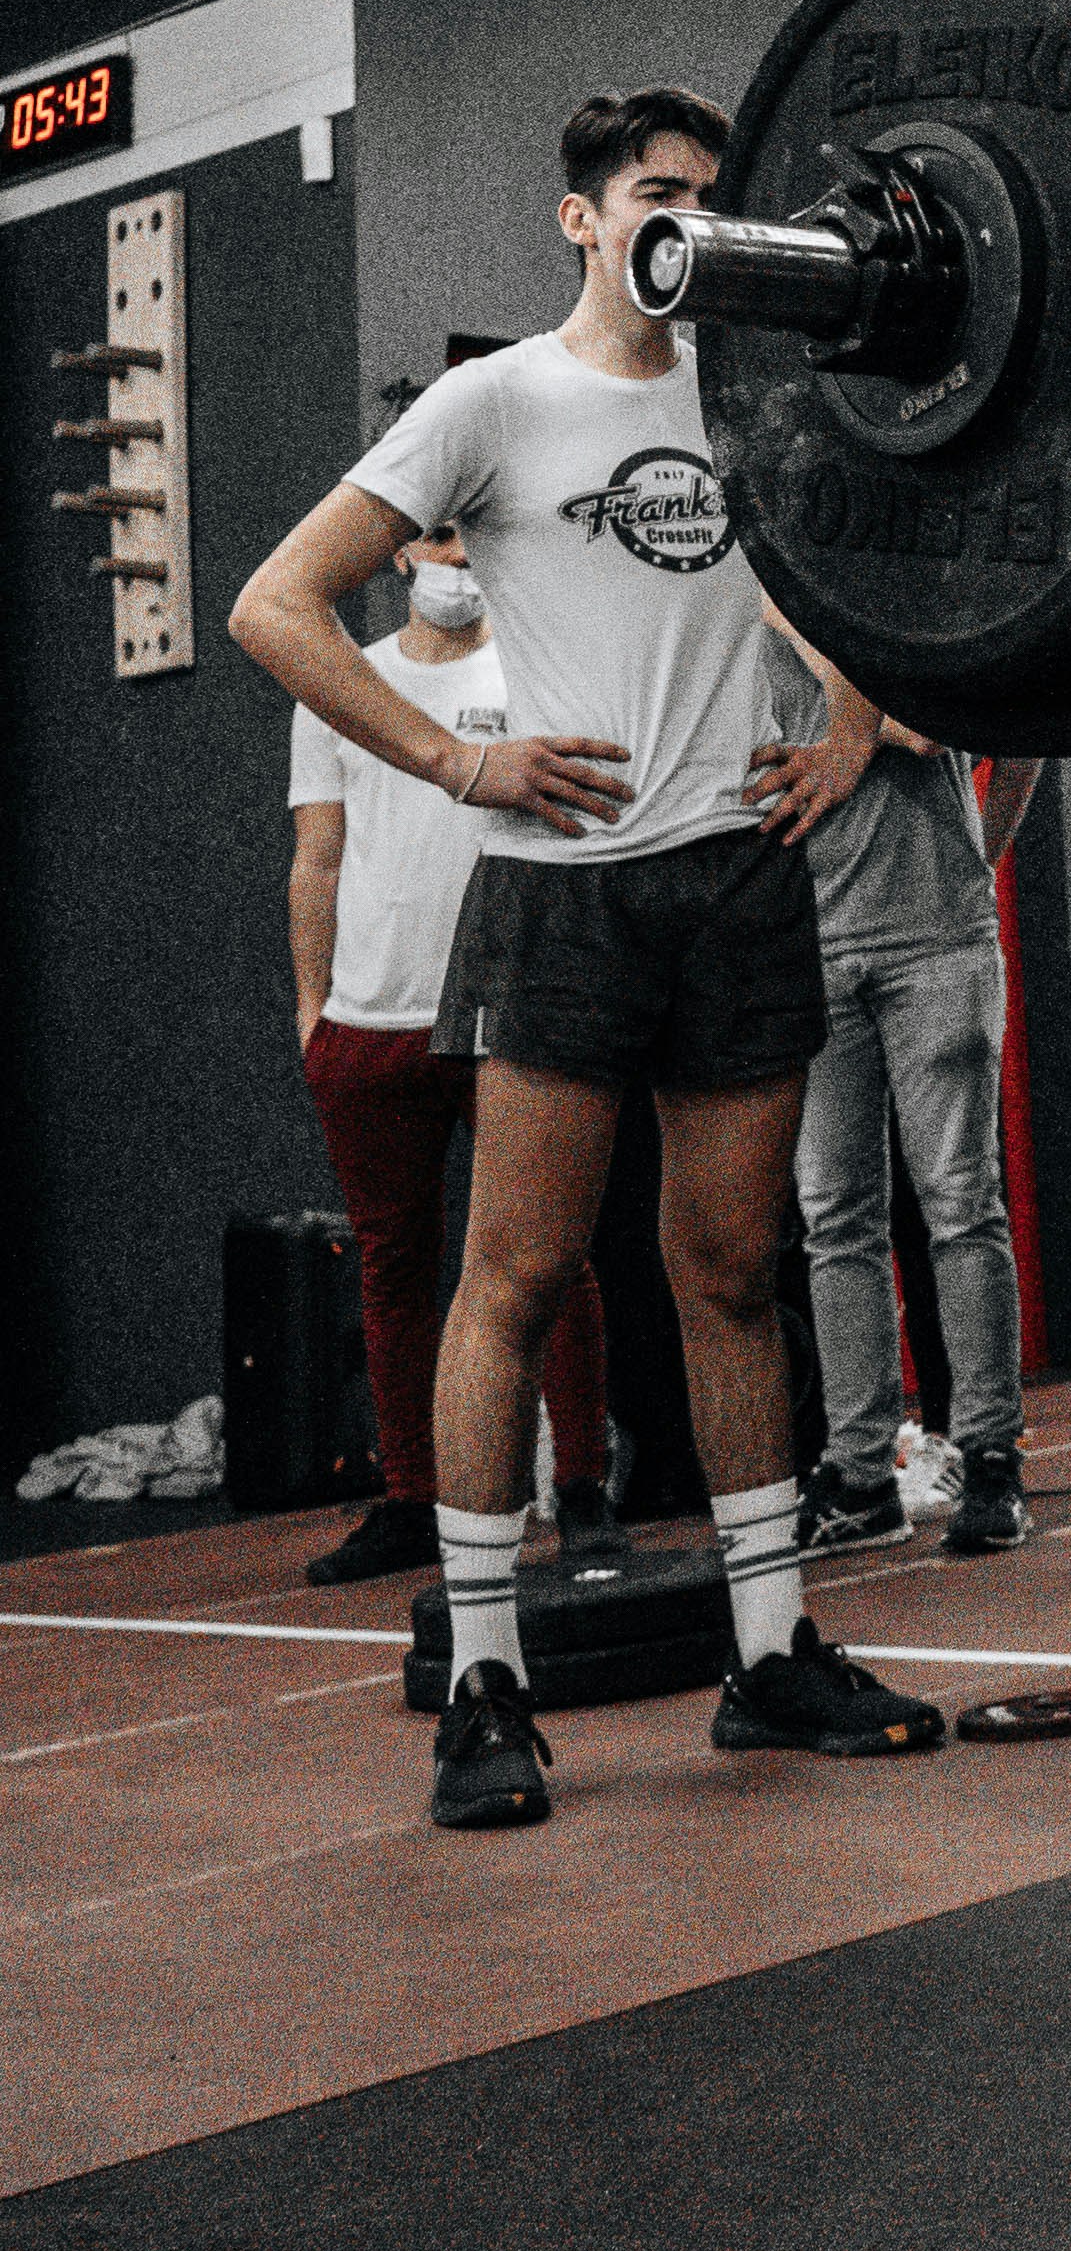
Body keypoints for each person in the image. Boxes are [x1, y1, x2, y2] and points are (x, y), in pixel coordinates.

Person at [230, 86, 935, 1832]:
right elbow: (275, 605)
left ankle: (769, 1658)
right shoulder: (493, 404)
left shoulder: (759, 395)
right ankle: (485, 1684)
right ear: (580, 218)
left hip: (736, 884)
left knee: (729, 1273)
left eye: (706, 194)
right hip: (566, 895)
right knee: (515, 1279)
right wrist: (463, 762)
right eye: (652, 193)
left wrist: (845, 730)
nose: (680, 217)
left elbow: (861, 578)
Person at [284, 519, 620, 1593]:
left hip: (507, 1017)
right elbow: (317, 859)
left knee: (553, 1260)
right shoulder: (341, 684)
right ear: (399, 556)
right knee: (394, 1269)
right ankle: (410, 1498)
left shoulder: (536, 670)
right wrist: (312, 1009)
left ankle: (583, 1492)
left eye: (474, 538)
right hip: (371, 1022)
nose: (458, 561)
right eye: (437, 540)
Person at [762, 619, 1037, 1559]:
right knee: (835, 1219)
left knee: (962, 1203)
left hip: (933, 938)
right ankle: (861, 1474)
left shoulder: (885, 598)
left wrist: (977, 861)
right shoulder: (738, 605)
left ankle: (991, 1454)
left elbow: (972, 729)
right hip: (808, 941)